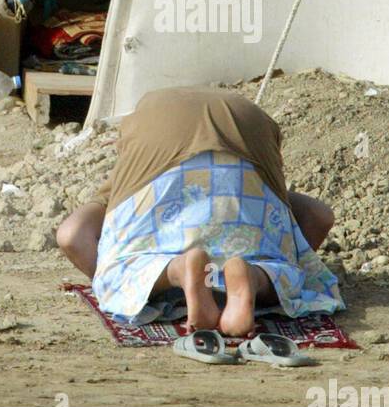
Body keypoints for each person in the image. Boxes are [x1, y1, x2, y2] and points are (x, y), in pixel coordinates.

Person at [56, 86, 343, 335]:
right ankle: (253, 278)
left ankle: (177, 270)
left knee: (123, 267)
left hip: (157, 136)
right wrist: (288, 253)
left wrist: (110, 279)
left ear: (121, 149)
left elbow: (71, 236)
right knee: (285, 267)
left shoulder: (134, 168)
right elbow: (321, 217)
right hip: (250, 134)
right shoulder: (247, 121)